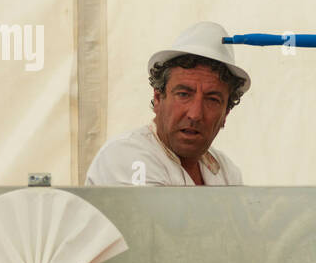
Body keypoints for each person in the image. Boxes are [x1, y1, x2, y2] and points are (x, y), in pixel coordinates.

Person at [85, 21, 249, 186]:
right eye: (183, 94)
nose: (195, 114)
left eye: (212, 99)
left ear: (225, 114)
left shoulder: (227, 171)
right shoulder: (127, 156)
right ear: (158, 99)